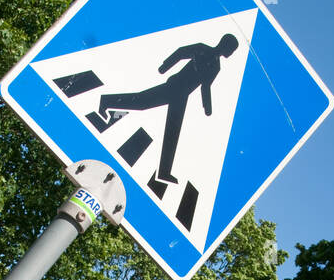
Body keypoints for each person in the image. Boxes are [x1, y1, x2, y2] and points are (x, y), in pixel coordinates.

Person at [97, 33, 239, 184]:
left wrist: (207, 107)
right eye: (231, 49)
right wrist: (165, 66)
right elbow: (181, 52)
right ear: (225, 45)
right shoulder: (202, 49)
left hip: (182, 95)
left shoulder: (216, 66)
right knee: (141, 102)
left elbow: (206, 86)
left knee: (173, 131)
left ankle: (164, 172)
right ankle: (107, 100)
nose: (231, 53)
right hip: (174, 86)